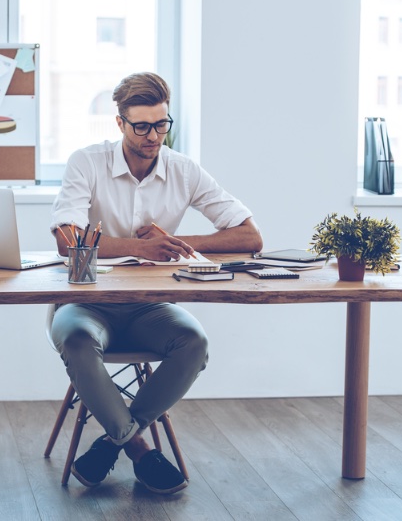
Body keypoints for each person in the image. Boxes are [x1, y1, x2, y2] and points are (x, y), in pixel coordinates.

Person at [49, 72, 263, 494]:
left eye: (162, 125)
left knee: (194, 343)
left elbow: (250, 237)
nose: (153, 136)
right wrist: (138, 247)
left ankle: (111, 443)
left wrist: (177, 244)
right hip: (87, 303)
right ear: (120, 124)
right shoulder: (87, 162)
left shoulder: (183, 169)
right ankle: (141, 450)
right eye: (142, 126)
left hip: (150, 306)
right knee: (75, 342)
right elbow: (66, 239)